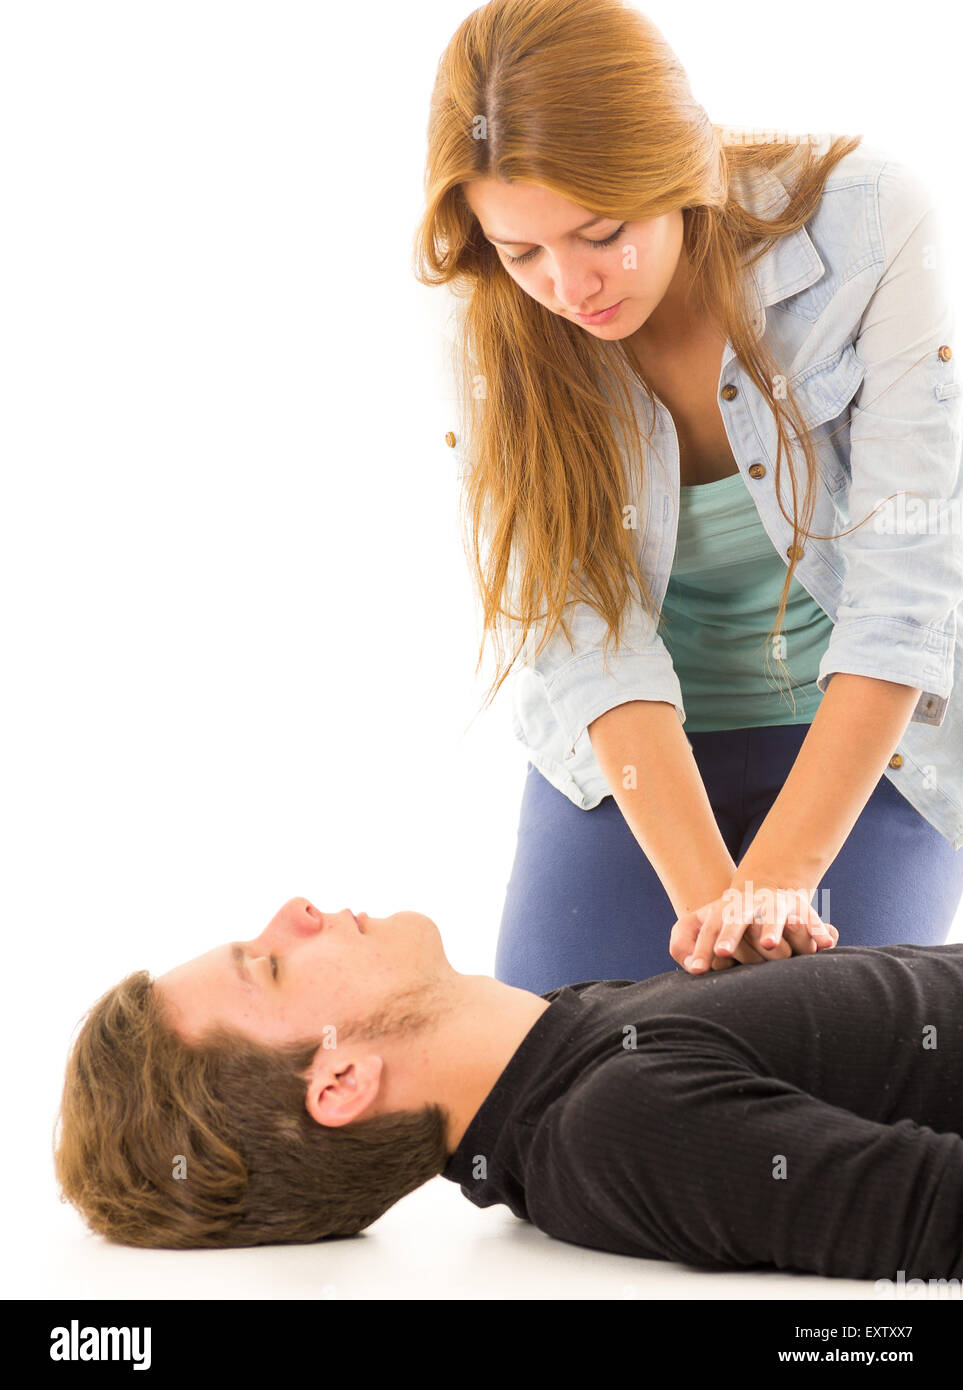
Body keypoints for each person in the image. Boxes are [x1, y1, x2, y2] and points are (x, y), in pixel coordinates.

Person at [414, 0, 963, 995]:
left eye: (601, 232)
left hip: (873, 736)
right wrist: (718, 908)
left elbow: (905, 593)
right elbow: (587, 636)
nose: (570, 286)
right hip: (633, 743)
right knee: (563, 1071)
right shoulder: (480, 325)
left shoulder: (878, 224)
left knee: (832, 1049)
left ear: (685, 169)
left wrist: (779, 888)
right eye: (522, 250)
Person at [54, 896, 963, 1279]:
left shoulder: (563, 1046)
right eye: (269, 966)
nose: (296, 911)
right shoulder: (615, 1126)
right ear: (338, 1080)